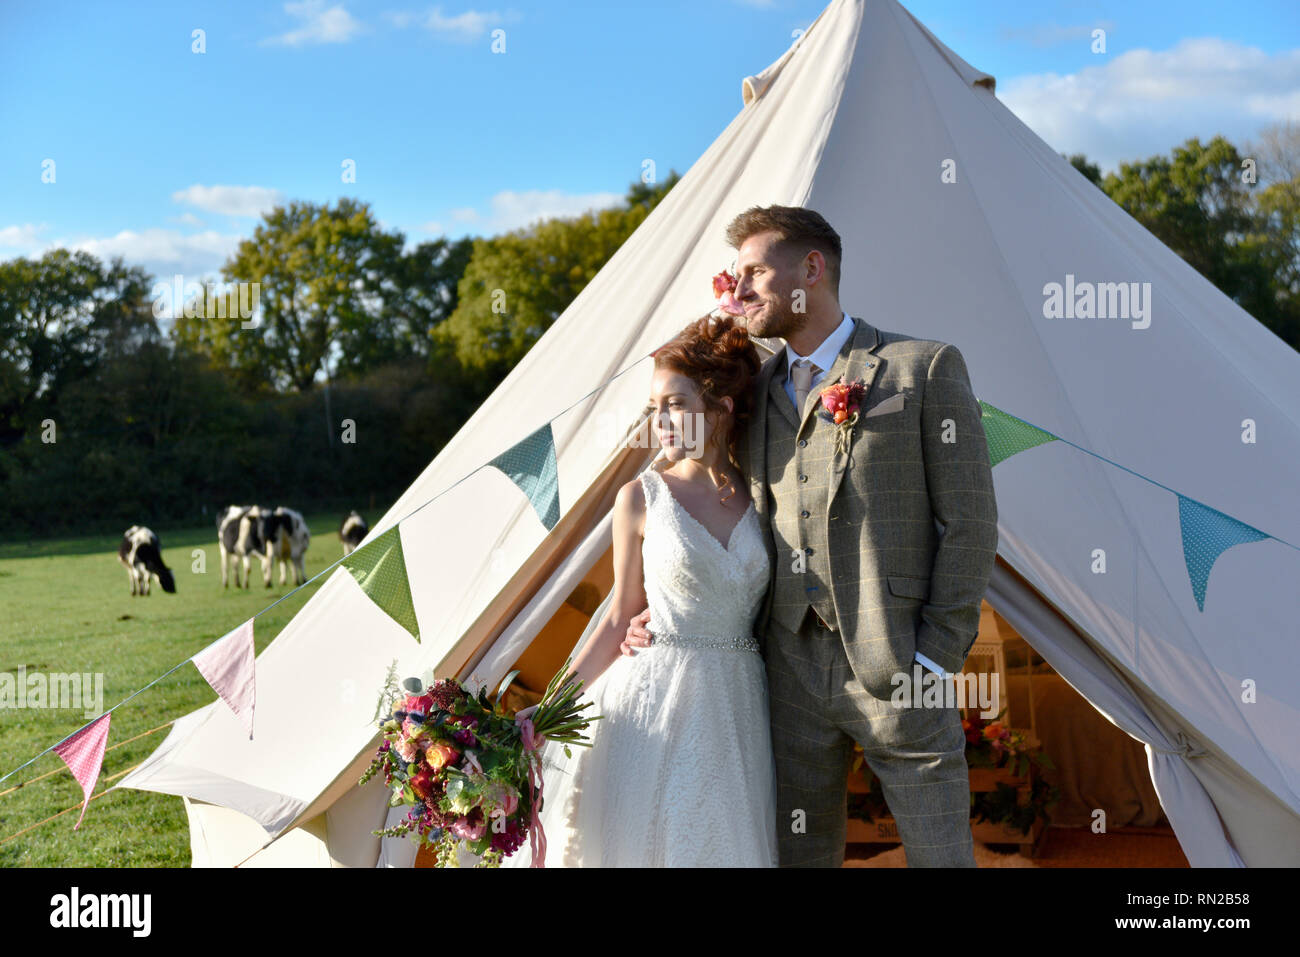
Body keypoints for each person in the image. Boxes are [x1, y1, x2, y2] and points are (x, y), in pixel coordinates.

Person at [624, 205, 999, 867]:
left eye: (753, 273)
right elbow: (701, 496)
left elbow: (971, 522)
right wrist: (662, 606)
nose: (736, 291)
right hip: (785, 674)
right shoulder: (749, 391)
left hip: (901, 663)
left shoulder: (921, 368)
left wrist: (937, 656)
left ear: (812, 270)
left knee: (943, 857)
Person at [502, 313, 778, 867]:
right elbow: (616, 619)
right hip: (652, 695)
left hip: (737, 704)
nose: (660, 421)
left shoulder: (767, 497)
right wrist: (548, 711)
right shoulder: (640, 496)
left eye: (674, 404)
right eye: (655, 408)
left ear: (722, 407)